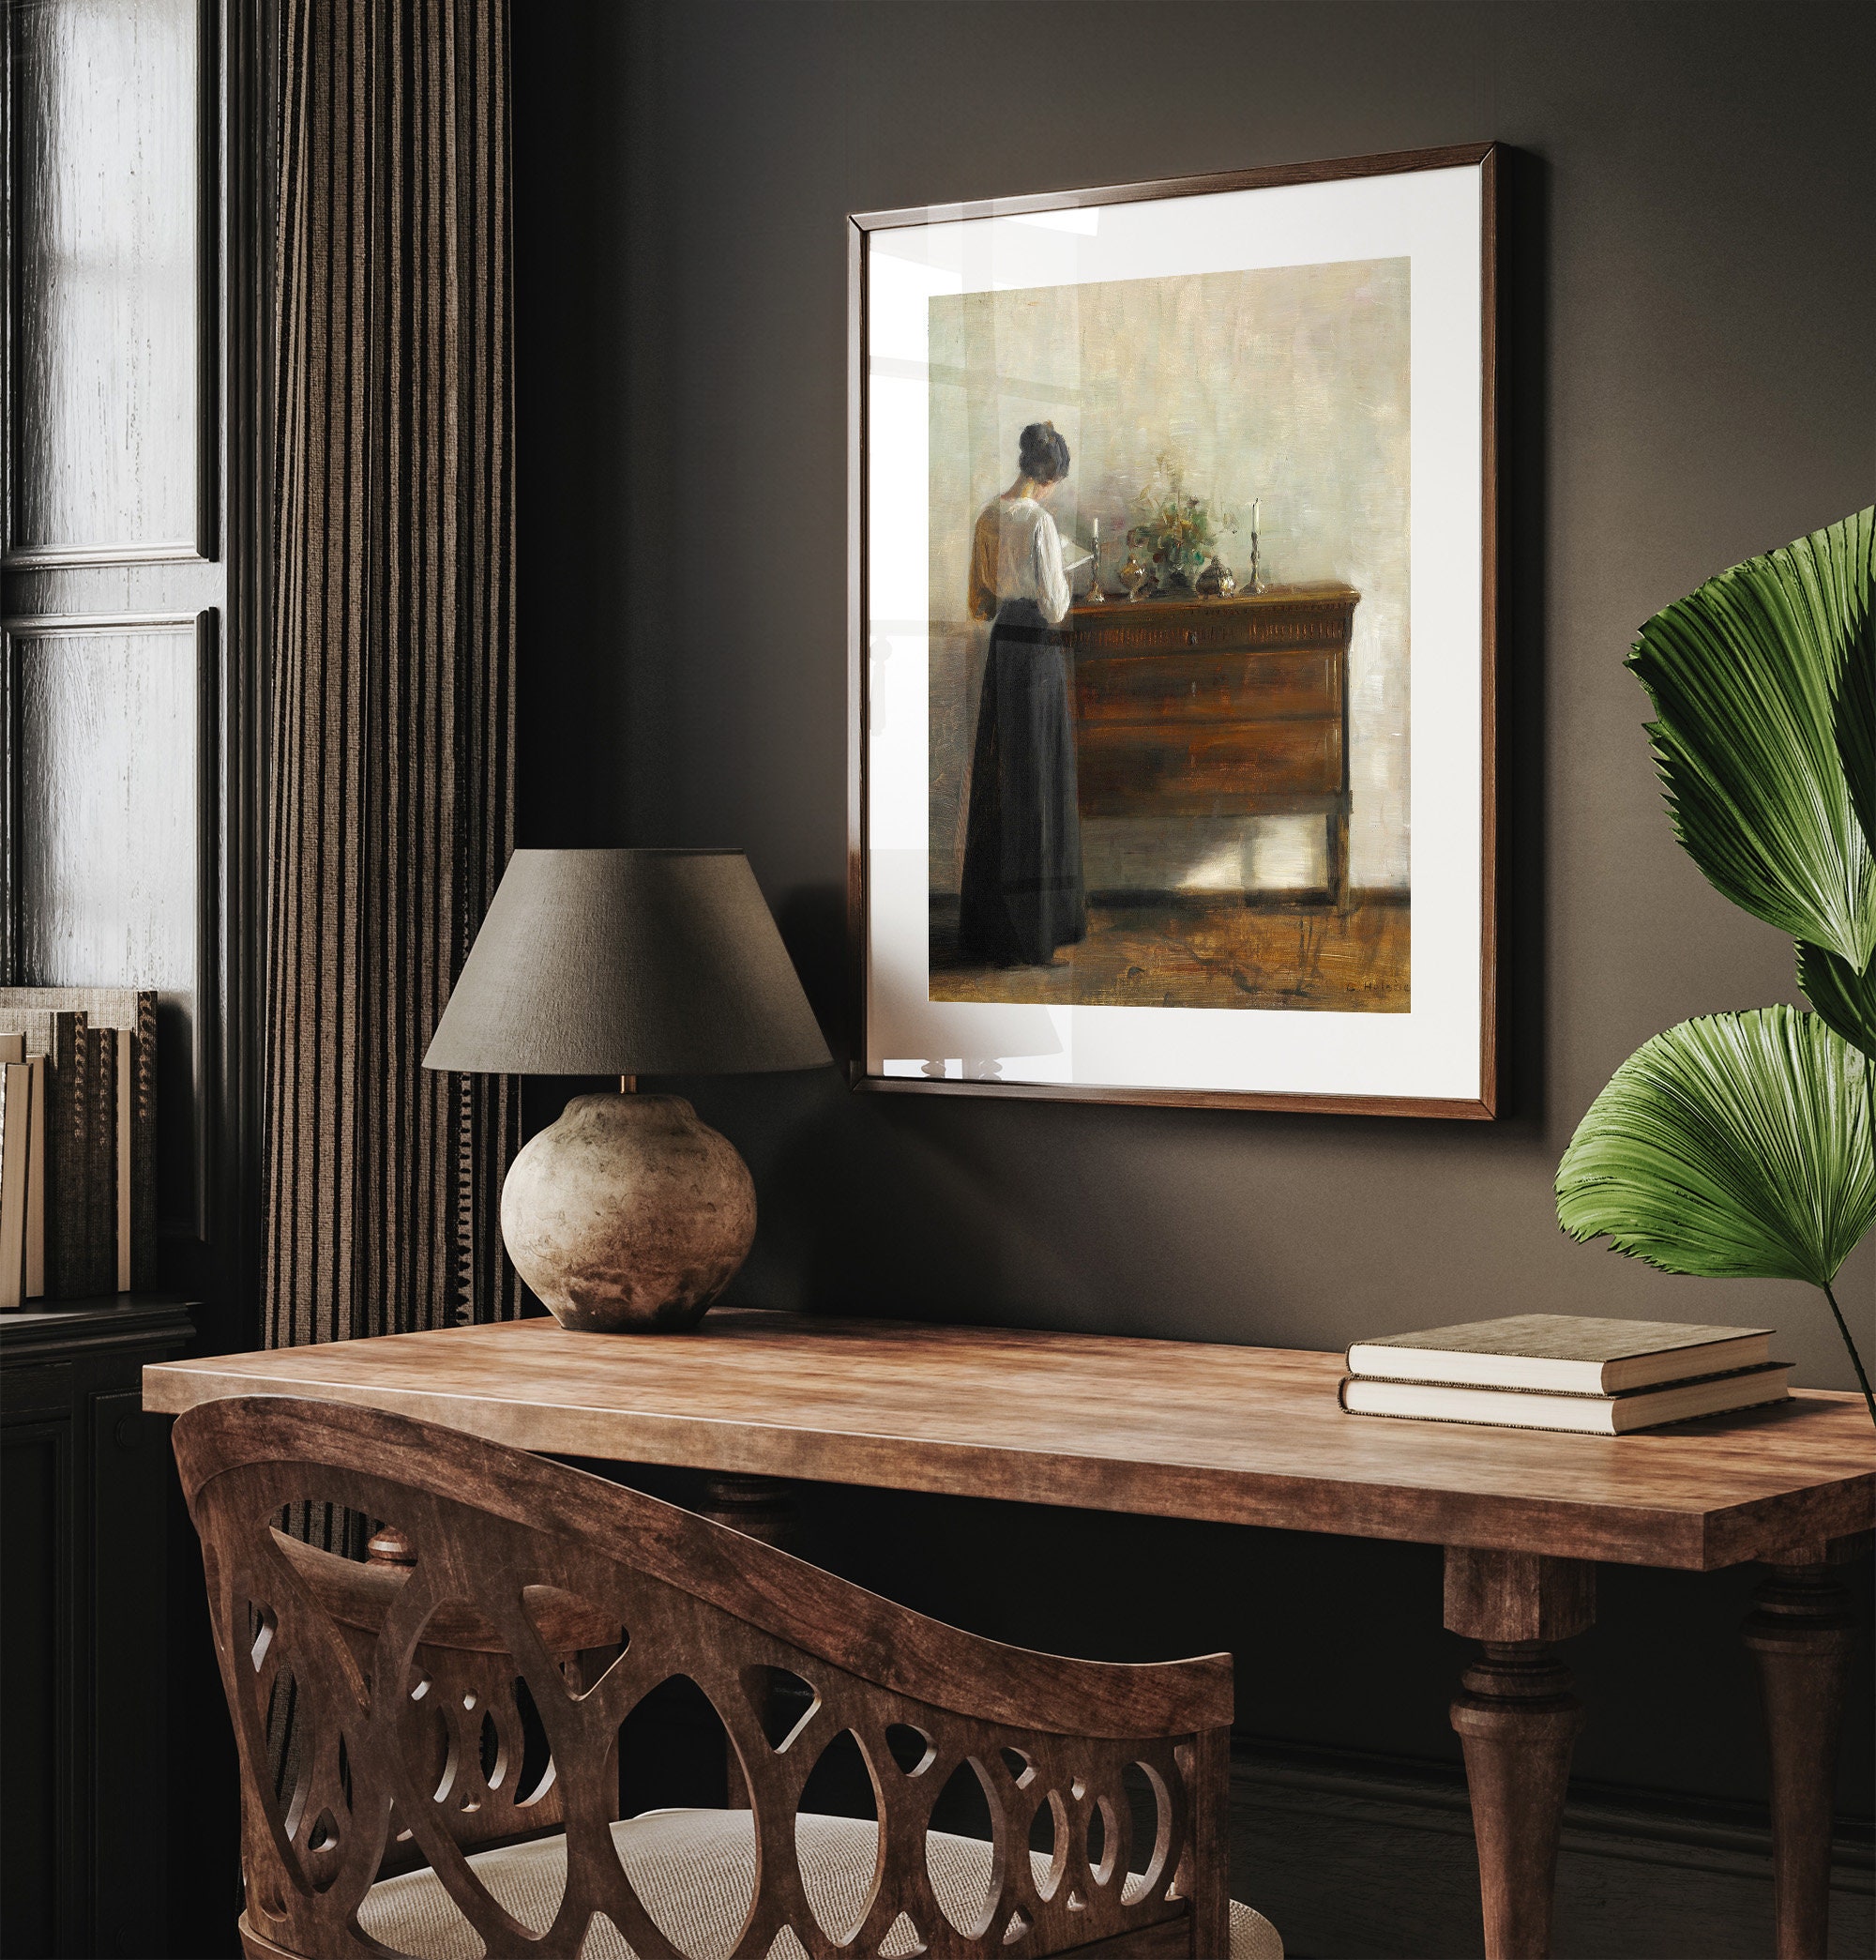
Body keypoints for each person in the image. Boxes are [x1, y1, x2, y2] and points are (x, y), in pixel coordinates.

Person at [957, 422, 1088, 966]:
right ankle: (1041, 924)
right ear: (1049, 476)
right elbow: (1055, 605)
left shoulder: (988, 516)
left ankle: (995, 925)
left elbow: (980, 604)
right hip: (1035, 651)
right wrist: (1064, 569)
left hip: (1002, 650)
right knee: (1039, 776)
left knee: (1005, 777)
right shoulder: (1039, 522)